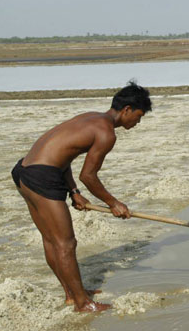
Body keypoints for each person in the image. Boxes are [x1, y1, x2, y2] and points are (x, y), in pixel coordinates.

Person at [11, 81, 152, 312]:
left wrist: (74, 192)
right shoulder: (106, 133)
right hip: (43, 176)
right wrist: (113, 203)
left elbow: (65, 157)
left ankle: (72, 295)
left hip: (24, 170)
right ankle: (83, 303)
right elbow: (88, 176)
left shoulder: (90, 117)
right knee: (66, 243)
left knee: (51, 239)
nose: (138, 122)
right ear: (127, 109)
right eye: (139, 116)